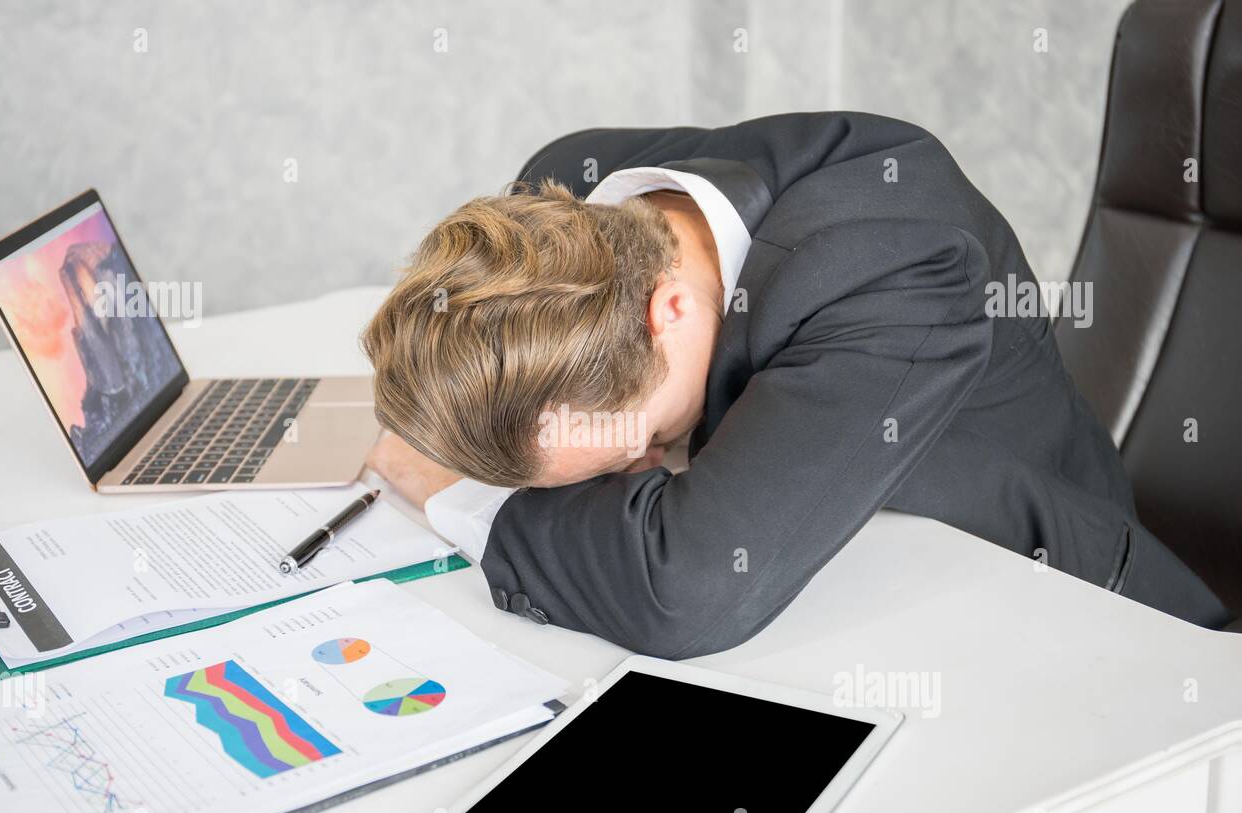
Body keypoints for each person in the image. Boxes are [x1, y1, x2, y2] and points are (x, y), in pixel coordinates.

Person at [363, 112, 1231, 658]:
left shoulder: (894, 259)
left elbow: (689, 589)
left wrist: (462, 500)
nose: (623, 474)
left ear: (666, 308)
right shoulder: (573, 184)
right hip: (859, 580)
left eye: (614, 448)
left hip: (1073, 620)